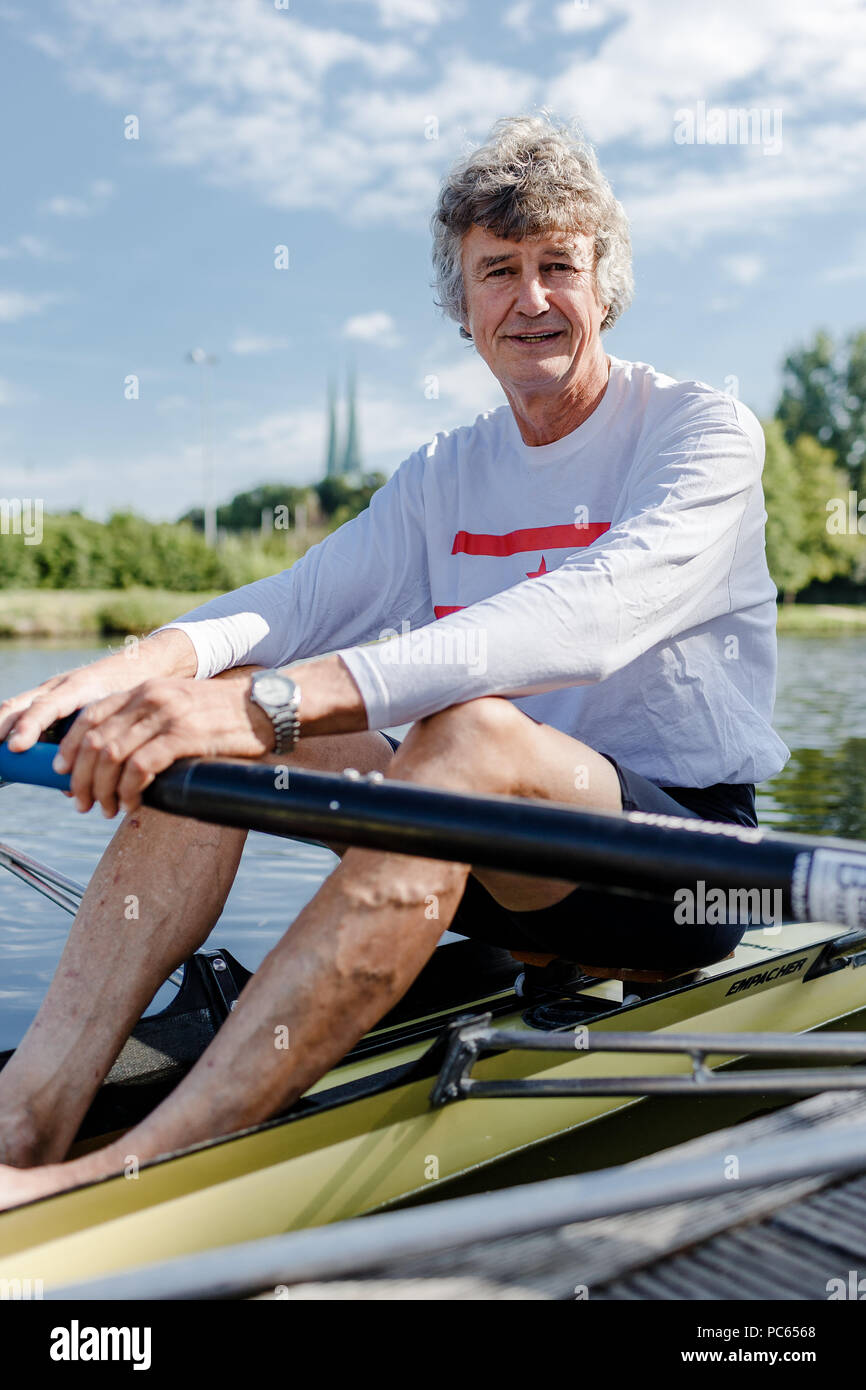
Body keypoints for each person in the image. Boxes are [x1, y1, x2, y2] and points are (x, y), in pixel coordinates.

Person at [0, 114, 788, 1208]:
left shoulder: (699, 433)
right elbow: (296, 601)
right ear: (461, 306)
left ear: (601, 283)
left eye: (557, 265)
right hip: (487, 858)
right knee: (204, 704)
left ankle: (145, 1164)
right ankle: (29, 1116)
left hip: (682, 873)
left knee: (454, 727)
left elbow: (583, 619)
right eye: (496, 271)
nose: (530, 297)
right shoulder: (444, 471)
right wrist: (134, 670)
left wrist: (277, 706)